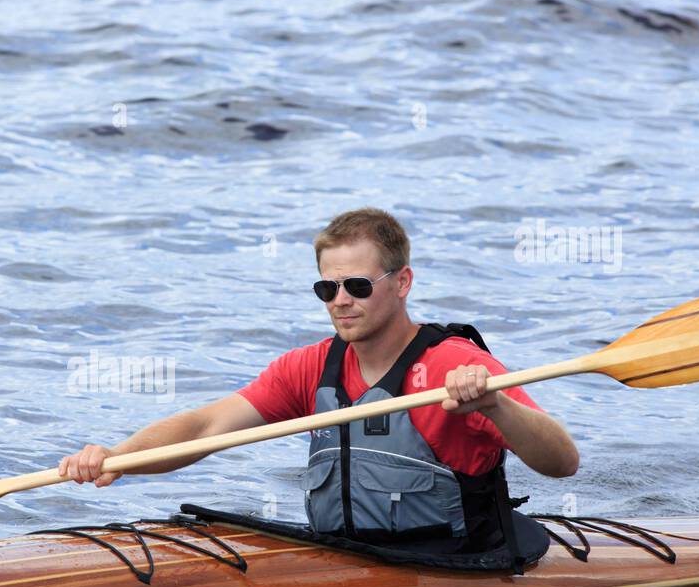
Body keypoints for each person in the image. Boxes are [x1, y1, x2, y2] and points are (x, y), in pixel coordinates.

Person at [58, 208, 579, 566]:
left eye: (357, 286)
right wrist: (115, 458)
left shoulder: (454, 365)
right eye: (327, 288)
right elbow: (205, 427)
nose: (340, 300)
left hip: (454, 564)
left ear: (402, 283)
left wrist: (497, 405)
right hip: (346, 558)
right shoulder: (308, 368)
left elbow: (562, 462)